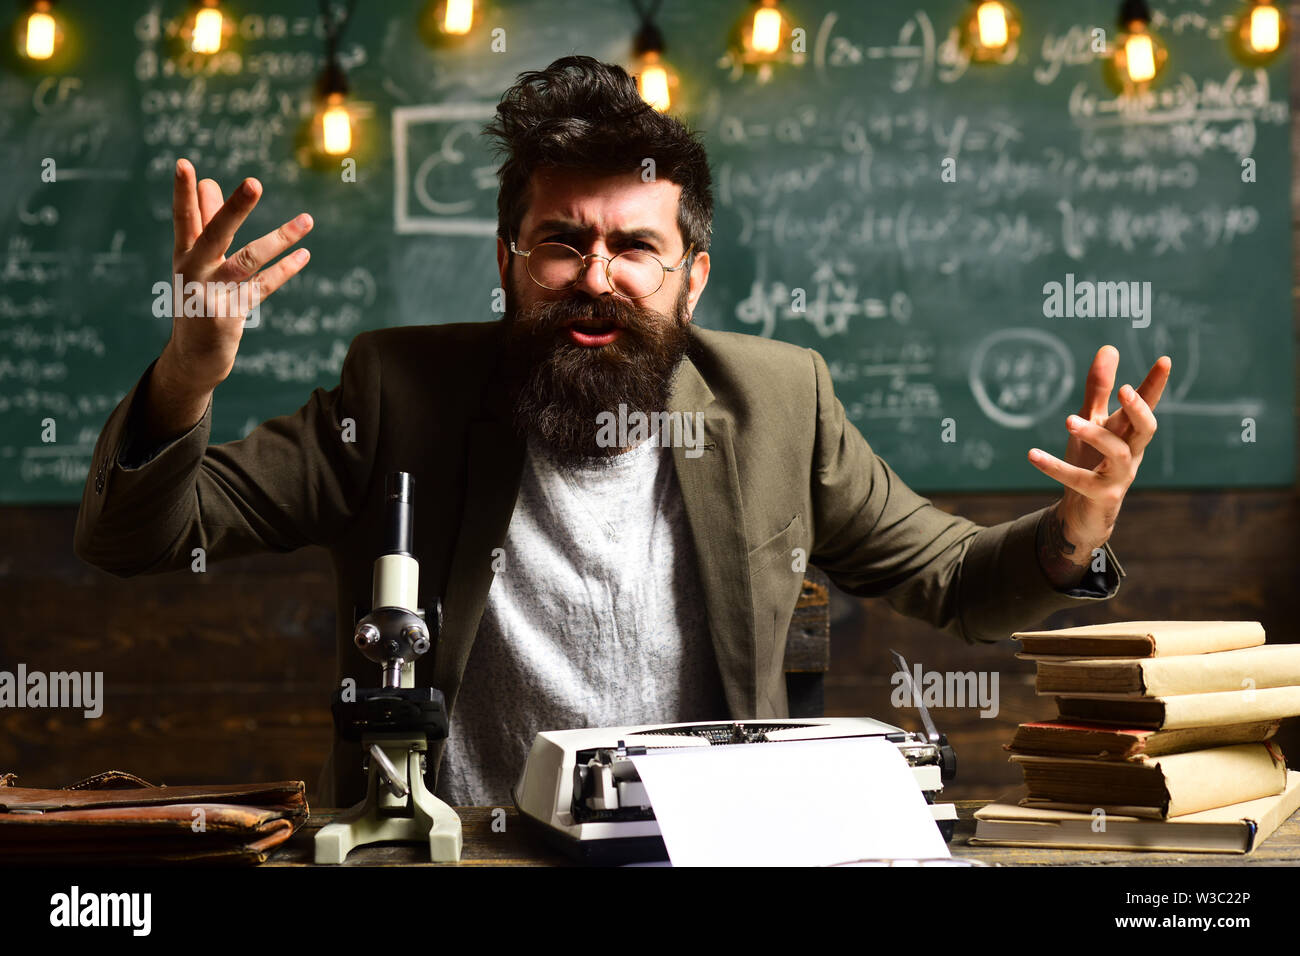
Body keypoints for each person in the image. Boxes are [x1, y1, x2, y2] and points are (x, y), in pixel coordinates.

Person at [75, 56, 1170, 808]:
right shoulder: (398, 389)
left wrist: (1074, 531)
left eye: (633, 248)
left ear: (689, 279)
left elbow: (960, 585)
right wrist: (187, 370)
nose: (594, 281)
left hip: (705, 856)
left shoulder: (780, 399)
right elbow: (143, 537)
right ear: (506, 262)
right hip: (466, 855)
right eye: (561, 242)